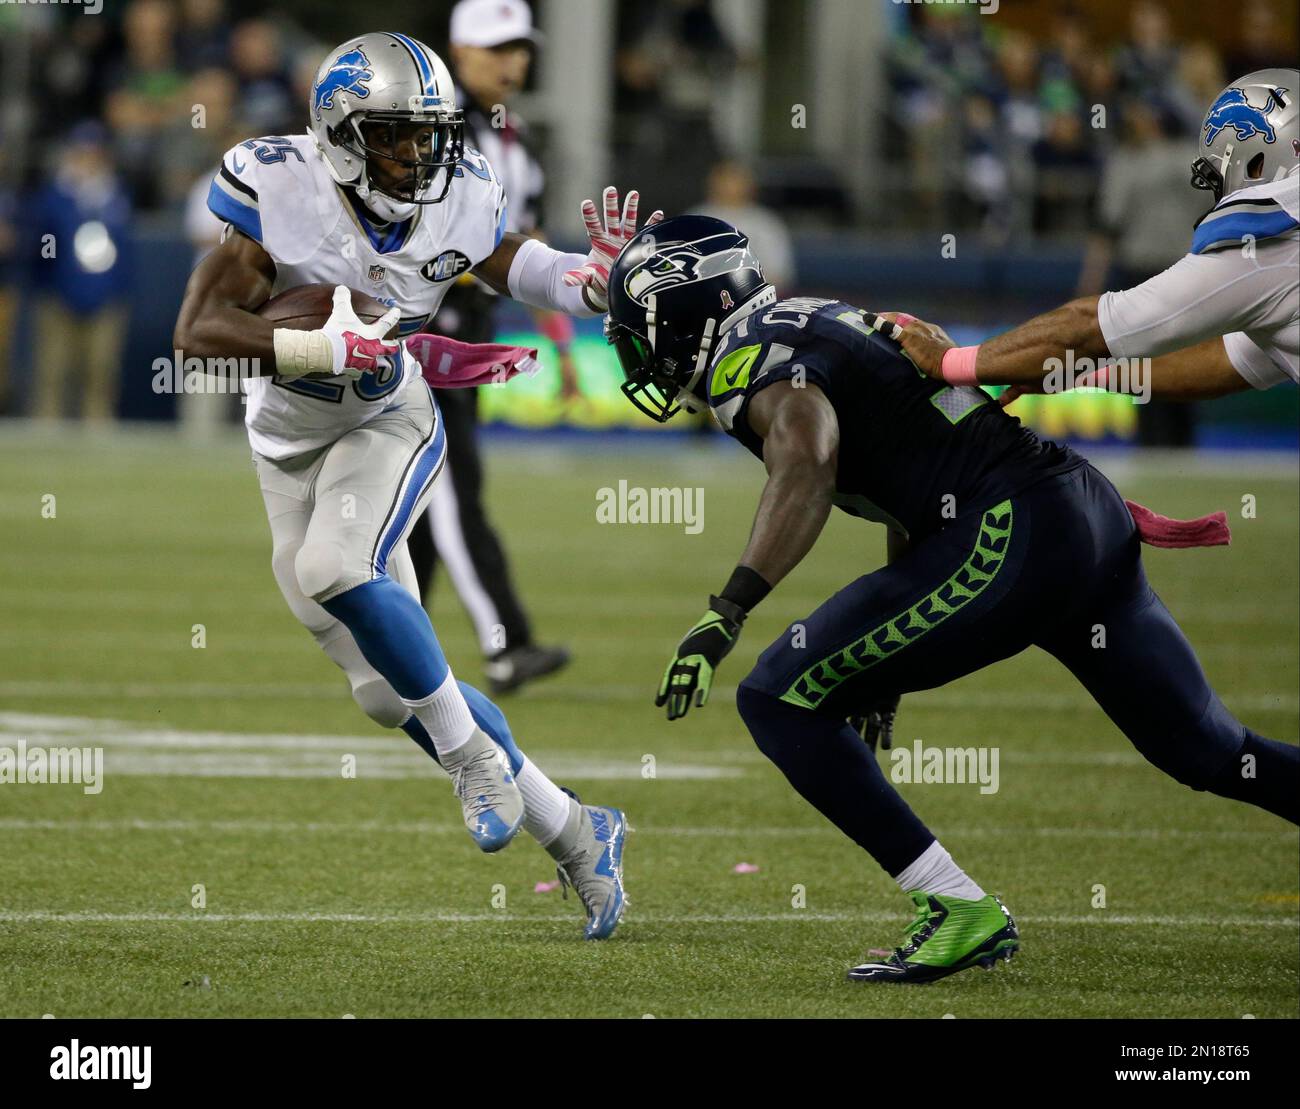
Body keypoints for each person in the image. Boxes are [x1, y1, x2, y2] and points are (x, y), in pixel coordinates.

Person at [603, 214, 1298, 982]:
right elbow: (917, 500)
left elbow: (807, 460)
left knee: (776, 694)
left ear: (685, 315)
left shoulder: (747, 358)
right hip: (1078, 511)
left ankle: (956, 907)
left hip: (1015, 528)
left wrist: (726, 610)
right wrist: (888, 671)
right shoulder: (815, 314)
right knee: (1209, 750)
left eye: (637, 329)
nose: (635, 349)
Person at [173, 32, 661, 939]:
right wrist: (319, 345)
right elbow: (197, 333)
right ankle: (578, 829)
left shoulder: (459, 191)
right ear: (342, 134)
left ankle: (474, 760)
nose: (420, 156)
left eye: (429, 135)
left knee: (332, 566)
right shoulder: (278, 187)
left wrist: (592, 283)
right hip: (283, 442)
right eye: (397, 137)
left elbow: (509, 259)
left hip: (388, 416)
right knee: (383, 694)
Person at [888, 70, 1298, 405]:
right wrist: (1074, 369)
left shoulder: (1266, 241)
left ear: (1259, 160)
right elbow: (1229, 361)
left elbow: (1087, 329)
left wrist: (950, 361)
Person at [407, 0, 574, 696]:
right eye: (497, 46)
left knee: (423, 508)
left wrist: (560, 343)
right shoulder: (423, 129)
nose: (513, 61)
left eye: (520, 47)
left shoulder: (523, 142)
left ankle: (393, 641)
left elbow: (525, 254)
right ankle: (506, 642)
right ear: (459, 50)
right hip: (420, 331)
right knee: (453, 488)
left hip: (475, 328)